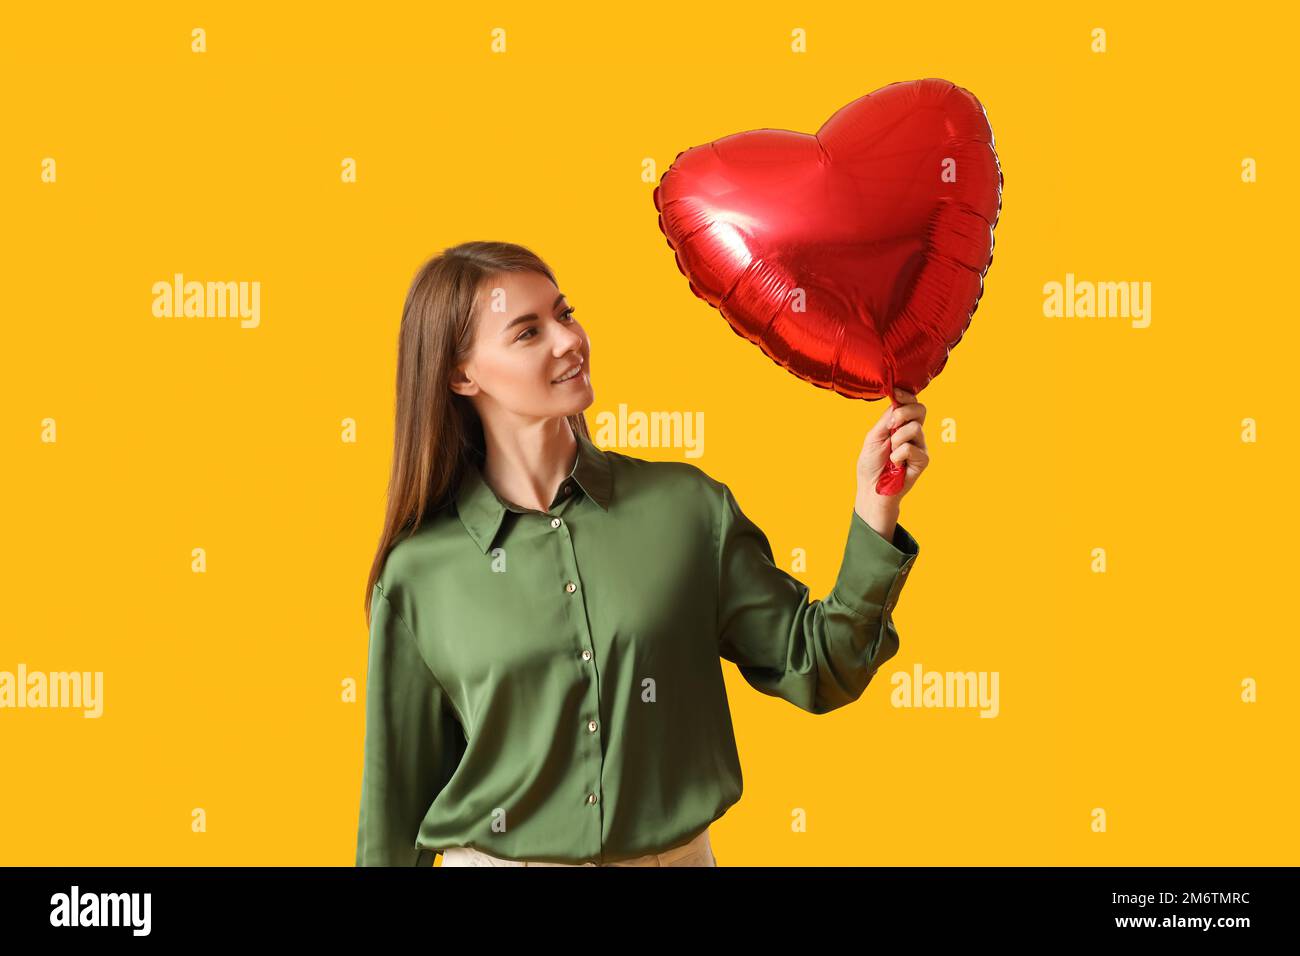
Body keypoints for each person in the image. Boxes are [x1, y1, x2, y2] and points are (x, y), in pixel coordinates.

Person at [355, 241, 928, 867]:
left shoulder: (686, 511)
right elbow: (394, 813)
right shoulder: (419, 574)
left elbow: (820, 665)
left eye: (565, 313)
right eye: (527, 332)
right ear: (461, 375)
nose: (568, 340)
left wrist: (875, 510)